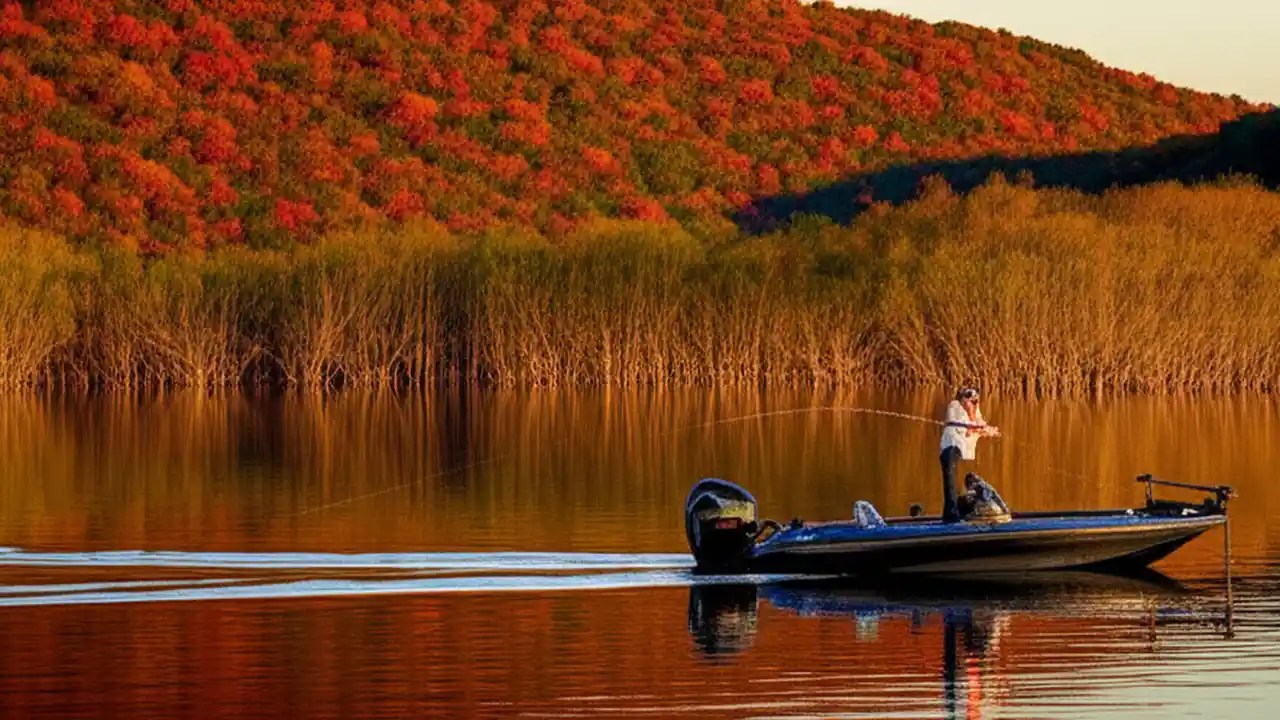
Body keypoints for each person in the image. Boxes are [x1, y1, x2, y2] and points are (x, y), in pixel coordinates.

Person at [939, 387, 999, 522]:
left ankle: (957, 510)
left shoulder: (975, 412)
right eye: (969, 400)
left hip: (961, 453)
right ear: (961, 399)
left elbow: (979, 424)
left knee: (963, 482)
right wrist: (975, 428)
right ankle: (950, 514)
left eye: (975, 401)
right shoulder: (954, 406)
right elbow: (965, 427)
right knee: (950, 477)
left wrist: (990, 430)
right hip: (951, 448)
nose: (973, 404)